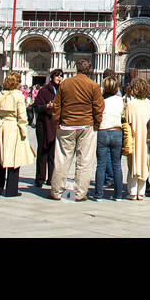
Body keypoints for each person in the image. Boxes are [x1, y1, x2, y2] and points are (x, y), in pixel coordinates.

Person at [49, 58, 104, 201]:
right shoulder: (94, 86)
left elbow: (57, 105)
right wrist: (96, 124)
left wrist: (57, 122)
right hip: (86, 126)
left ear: (76, 69)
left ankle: (56, 192)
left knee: (62, 159)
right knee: (84, 161)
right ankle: (79, 194)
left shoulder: (65, 84)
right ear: (90, 70)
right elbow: (98, 108)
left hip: (66, 125)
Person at [0, 72, 34, 197]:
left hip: (0, 127)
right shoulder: (18, 96)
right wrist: (24, 131)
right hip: (13, 128)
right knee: (14, 159)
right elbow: (22, 116)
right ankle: (11, 190)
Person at [93, 74, 125, 200]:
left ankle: (99, 194)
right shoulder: (120, 100)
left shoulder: (100, 100)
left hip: (103, 132)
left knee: (101, 164)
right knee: (117, 165)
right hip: (117, 132)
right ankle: (118, 195)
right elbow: (122, 114)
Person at [123, 78, 150, 200]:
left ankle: (132, 191)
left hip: (133, 137)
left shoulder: (129, 104)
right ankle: (141, 192)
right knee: (144, 162)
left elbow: (125, 120)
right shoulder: (149, 104)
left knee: (132, 163)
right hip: (145, 139)